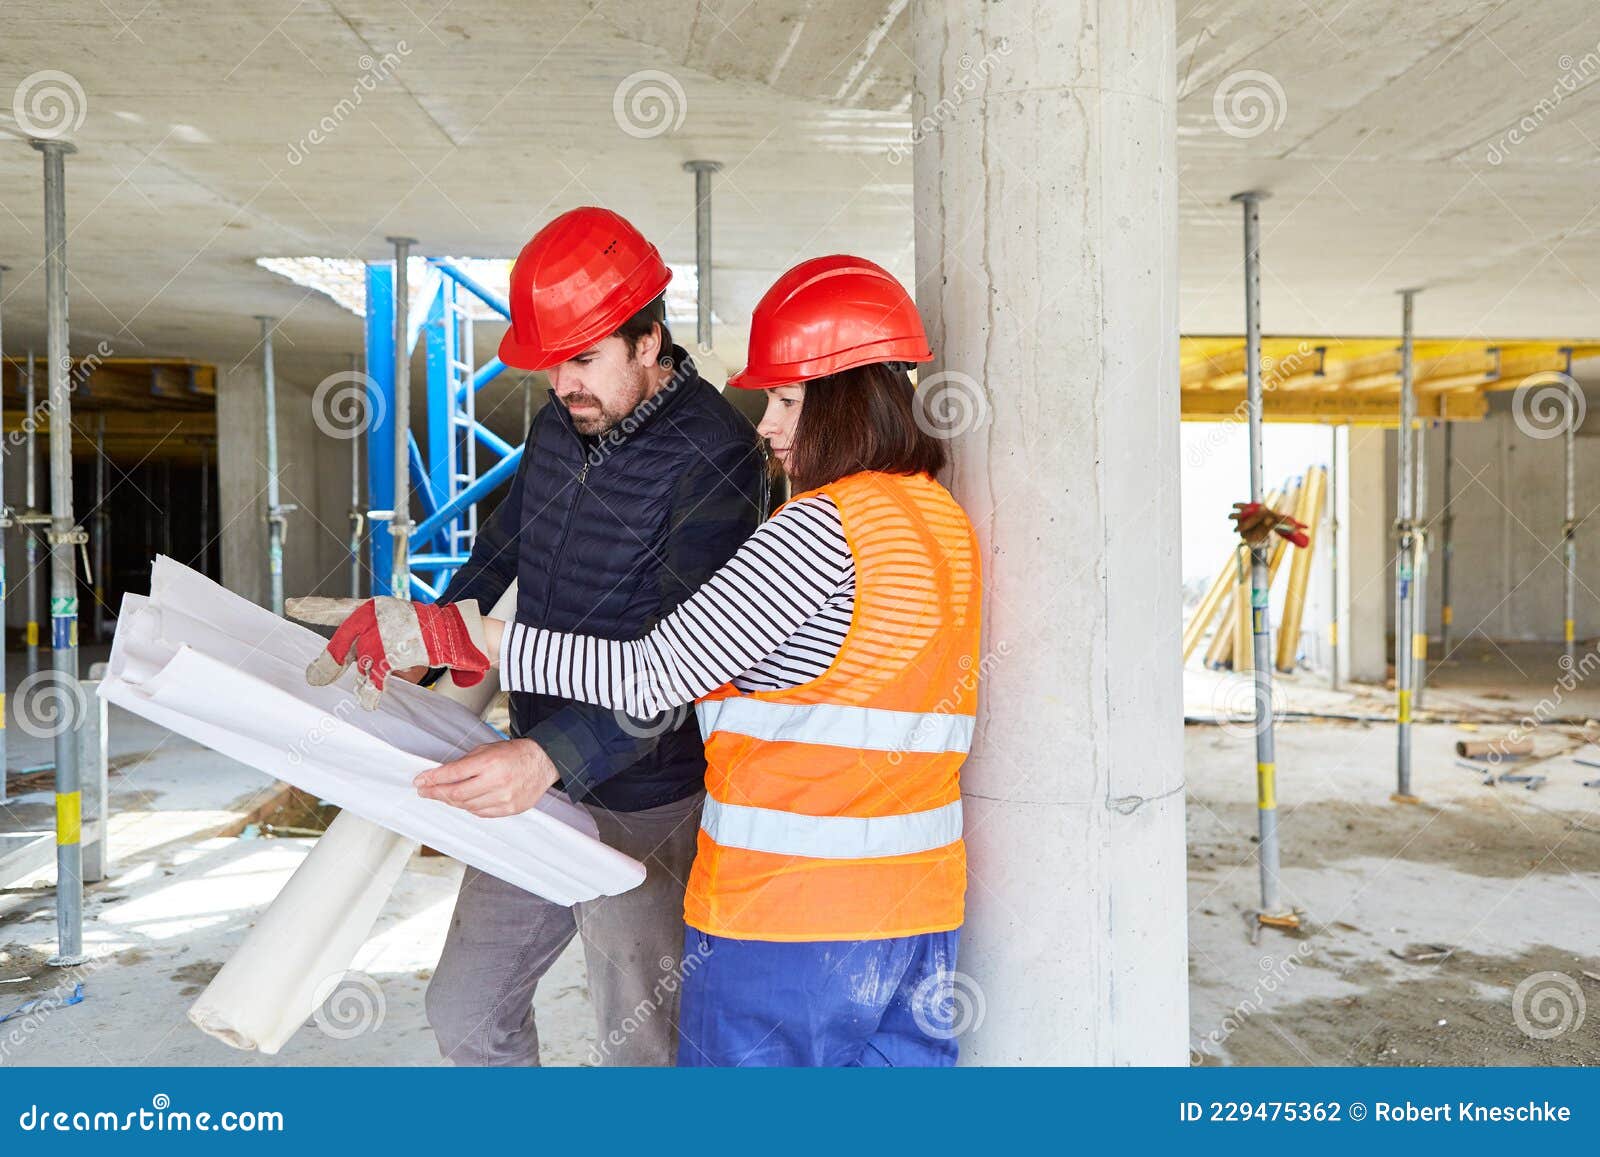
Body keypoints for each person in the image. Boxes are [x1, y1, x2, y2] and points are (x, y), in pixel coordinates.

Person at [466, 255, 982, 1066]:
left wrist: (483, 641)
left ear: (847, 399)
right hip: (916, 922)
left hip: (785, 926)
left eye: (786, 400)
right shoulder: (938, 521)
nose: (767, 426)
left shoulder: (819, 529)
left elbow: (651, 675)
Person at [293, 206, 765, 1066]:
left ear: (650, 341)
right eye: (553, 365)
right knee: (465, 1010)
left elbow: (685, 665)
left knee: (642, 1047)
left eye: (584, 359)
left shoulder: (719, 456)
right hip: (534, 775)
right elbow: (500, 553)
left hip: (647, 797)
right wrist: (427, 641)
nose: (563, 385)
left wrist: (552, 755)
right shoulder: (561, 422)